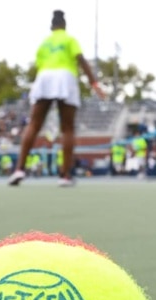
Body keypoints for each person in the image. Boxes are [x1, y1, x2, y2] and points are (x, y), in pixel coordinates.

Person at [8, 10, 104, 187]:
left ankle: (19, 169)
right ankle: (65, 175)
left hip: (44, 77)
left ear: (51, 26)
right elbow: (81, 59)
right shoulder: (69, 39)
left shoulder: (44, 43)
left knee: (34, 124)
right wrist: (94, 83)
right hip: (64, 78)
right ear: (64, 25)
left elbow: (39, 64)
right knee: (67, 128)